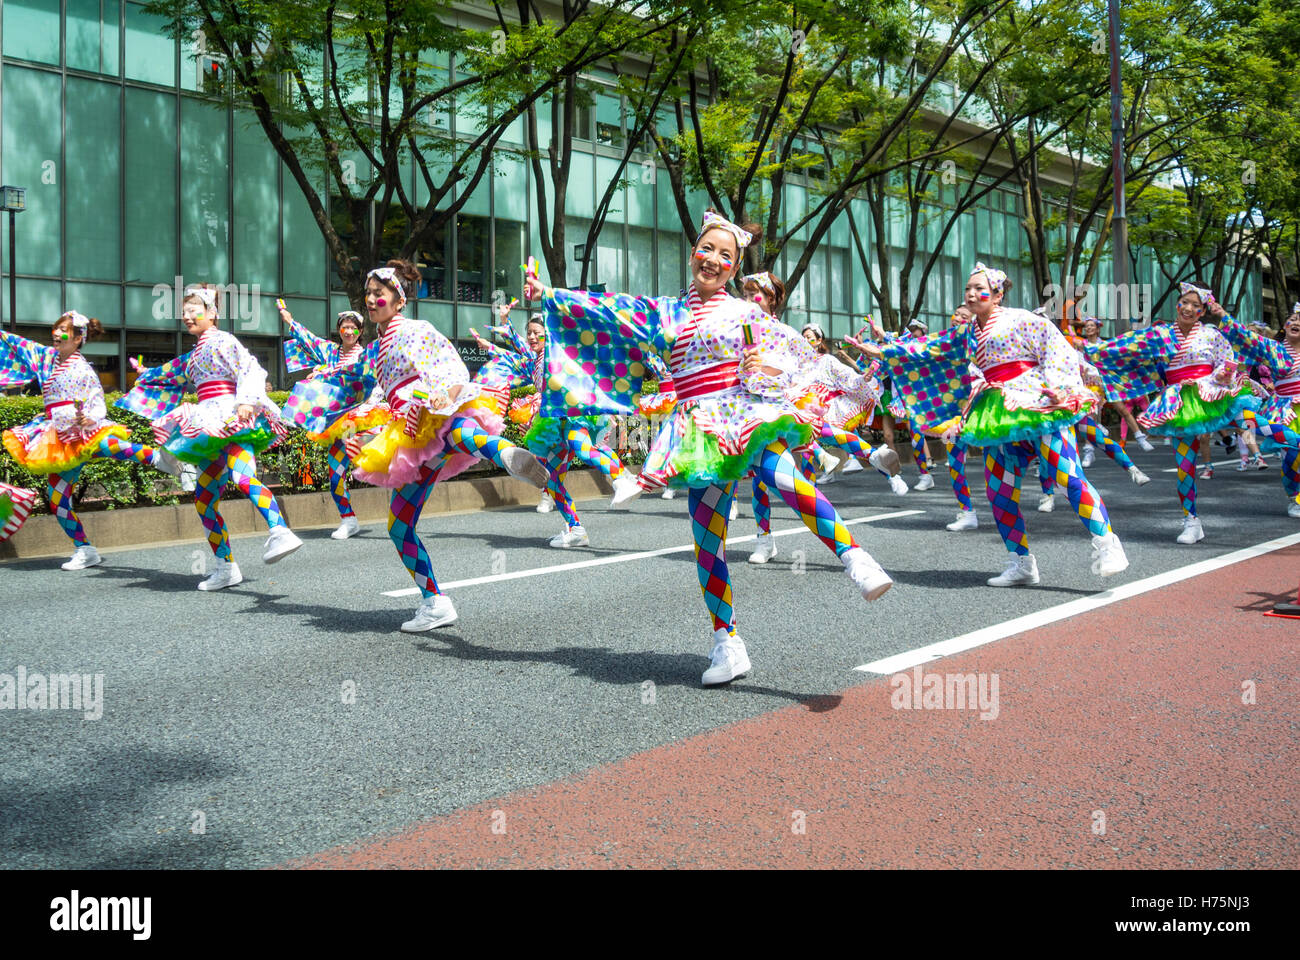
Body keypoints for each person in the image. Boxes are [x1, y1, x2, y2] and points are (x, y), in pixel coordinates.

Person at [529, 211, 894, 686]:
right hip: (696, 428)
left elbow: (797, 356)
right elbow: (610, 310)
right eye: (708, 250)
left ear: (734, 266)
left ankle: (855, 559)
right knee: (706, 541)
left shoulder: (745, 313)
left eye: (727, 255)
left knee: (783, 474)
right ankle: (728, 643)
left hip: (741, 414)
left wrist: (792, 372)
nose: (715, 260)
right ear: (693, 253)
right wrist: (551, 297)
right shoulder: (665, 311)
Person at [862, 262, 1129, 585]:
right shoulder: (965, 332)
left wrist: (1059, 388)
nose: (972, 294)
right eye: (968, 289)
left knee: (1067, 477)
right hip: (996, 411)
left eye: (980, 288)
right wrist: (883, 351)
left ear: (998, 294)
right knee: (999, 492)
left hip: (1036, 403)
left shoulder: (1024, 320)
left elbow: (1056, 350)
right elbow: (927, 349)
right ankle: (1022, 562)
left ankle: (1107, 543)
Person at [346, 260, 549, 631]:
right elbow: (382, 393)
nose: (372, 299)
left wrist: (446, 394)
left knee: (449, 431)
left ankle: (504, 453)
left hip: (426, 409)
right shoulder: (378, 347)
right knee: (400, 523)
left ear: (399, 299)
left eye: (380, 293)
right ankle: (435, 603)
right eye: (370, 293)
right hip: (404, 429)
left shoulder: (413, 329)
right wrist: (363, 427)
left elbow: (449, 365)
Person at [121, 285, 302, 588]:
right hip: (207, 425)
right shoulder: (194, 355)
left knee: (243, 476)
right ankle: (226, 567)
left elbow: (252, 369)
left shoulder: (224, 340)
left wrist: (246, 400)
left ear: (212, 313)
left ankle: (280, 530)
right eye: (184, 312)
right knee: (204, 499)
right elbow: (170, 372)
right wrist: (145, 373)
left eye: (194, 310)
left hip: (232, 418)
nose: (187, 316)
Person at [2, 311, 182, 570]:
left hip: (77, 431)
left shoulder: (82, 369)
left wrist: (88, 417)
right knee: (57, 498)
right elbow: (18, 346)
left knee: (104, 445)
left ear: (77, 339)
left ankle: (158, 458)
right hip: (55, 434)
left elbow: (97, 402)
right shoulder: (47, 358)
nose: (56, 333)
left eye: (63, 330)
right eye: (56, 328)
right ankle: (85, 549)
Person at [474, 303, 625, 548]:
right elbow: (516, 351)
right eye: (529, 333)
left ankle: (622, 479)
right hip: (552, 426)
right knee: (551, 479)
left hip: (570, 416)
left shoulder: (556, 352)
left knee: (583, 449)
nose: (532, 337)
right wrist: (495, 337)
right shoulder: (534, 361)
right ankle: (576, 528)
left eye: (537, 332)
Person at [279, 307, 390, 539]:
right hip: (336, 419)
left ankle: (405, 505)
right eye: (345, 327)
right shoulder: (329, 351)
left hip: (362, 418)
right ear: (339, 329)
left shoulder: (366, 354)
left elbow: (378, 378)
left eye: (353, 328)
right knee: (335, 473)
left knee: (376, 463)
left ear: (360, 332)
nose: (348, 331)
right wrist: (290, 321)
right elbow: (308, 340)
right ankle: (348, 519)